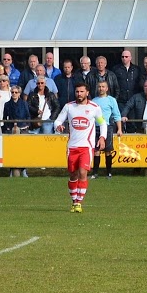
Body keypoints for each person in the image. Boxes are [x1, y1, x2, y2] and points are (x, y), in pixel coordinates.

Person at [52, 82, 105, 211]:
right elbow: (58, 120)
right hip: (72, 147)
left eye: (82, 92)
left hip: (86, 147)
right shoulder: (69, 107)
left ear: (87, 93)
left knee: (83, 172)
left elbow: (102, 123)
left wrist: (102, 137)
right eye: (77, 92)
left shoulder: (94, 107)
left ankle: (78, 202)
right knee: (73, 175)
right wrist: (58, 126)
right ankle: (74, 200)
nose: (79, 94)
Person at [92, 79, 124, 177]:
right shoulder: (94, 101)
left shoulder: (111, 100)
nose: (101, 89)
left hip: (107, 127)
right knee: (96, 150)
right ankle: (95, 173)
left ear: (107, 88)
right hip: (95, 127)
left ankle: (109, 172)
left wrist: (119, 129)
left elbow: (117, 115)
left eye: (103, 87)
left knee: (108, 150)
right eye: (99, 87)